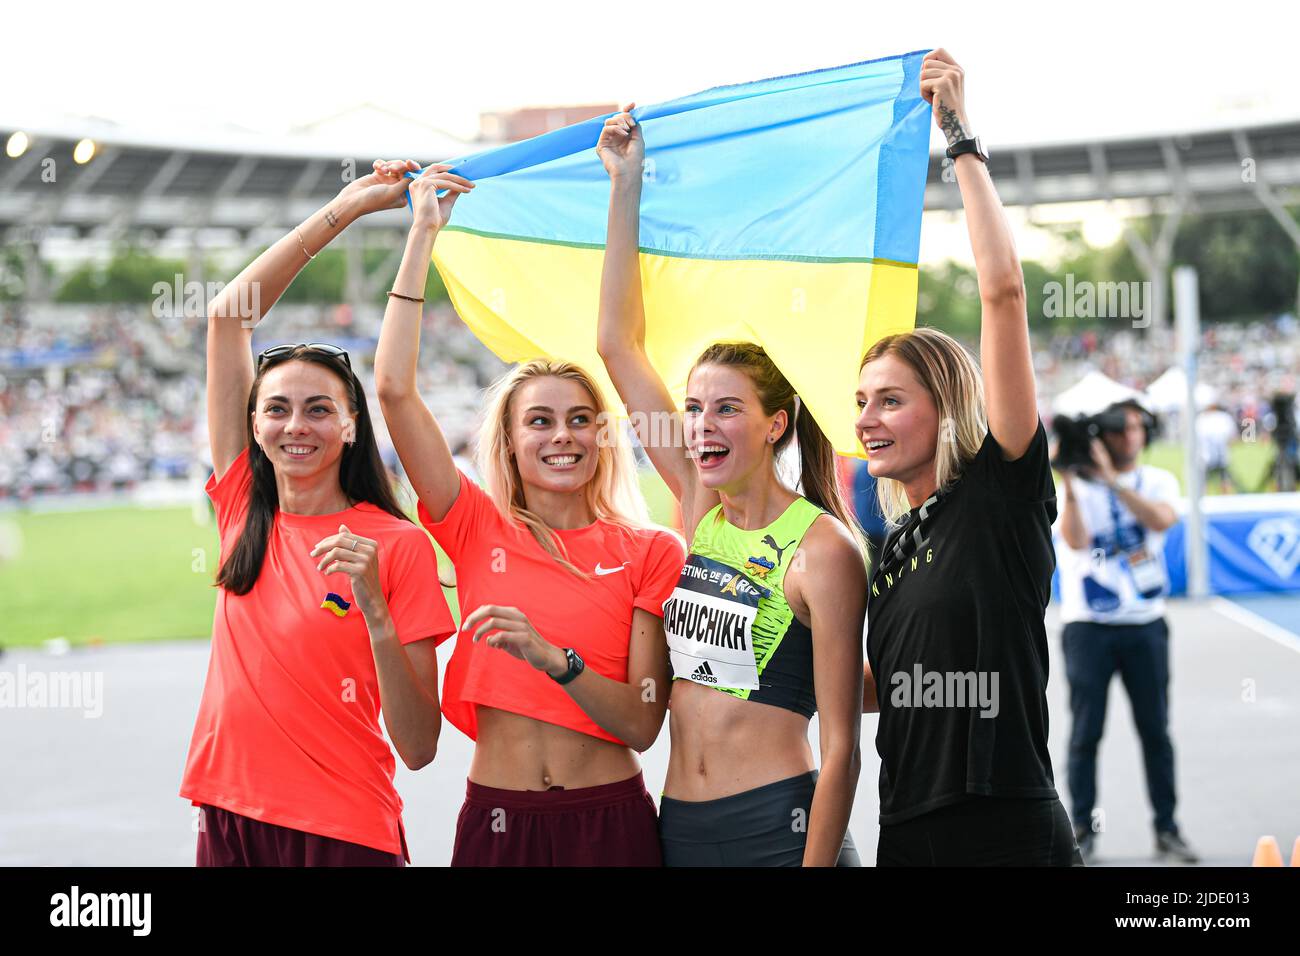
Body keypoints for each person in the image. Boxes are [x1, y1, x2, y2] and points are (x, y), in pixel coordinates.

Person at [374, 163, 686, 866]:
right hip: (498, 825)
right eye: (539, 421)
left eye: (580, 419)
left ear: (603, 436)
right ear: (510, 443)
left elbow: (641, 722)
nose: (562, 436)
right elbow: (393, 390)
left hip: (609, 823)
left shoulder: (650, 550)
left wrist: (556, 662)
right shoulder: (473, 524)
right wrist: (423, 231)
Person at [595, 104, 867, 866]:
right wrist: (626, 185)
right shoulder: (694, 502)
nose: (700, 425)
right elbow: (617, 344)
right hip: (681, 826)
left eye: (725, 409)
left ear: (776, 424)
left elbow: (843, 744)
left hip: (780, 829)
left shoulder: (824, 549)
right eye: (691, 408)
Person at [181, 160, 457, 866]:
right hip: (230, 813)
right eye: (276, 408)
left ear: (351, 427)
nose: (293, 425)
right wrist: (346, 210)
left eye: (318, 409)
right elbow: (227, 317)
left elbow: (421, 746)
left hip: (343, 831)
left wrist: (375, 612)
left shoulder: (397, 545)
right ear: (255, 424)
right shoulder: (242, 501)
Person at [856, 48, 1080, 866]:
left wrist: (958, 138)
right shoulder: (891, 548)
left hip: (1001, 827)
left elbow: (1003, 292)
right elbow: (897, 690)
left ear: (945, 406)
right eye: (861, 403)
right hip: (905, 830)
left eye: (889, 399)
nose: (868, 419)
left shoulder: (1000, 496)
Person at [1056, 399, 1199, 864]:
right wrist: (1074, 481)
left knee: (1156, 731)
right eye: (1121, 428)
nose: (1131, 436)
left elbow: (1161, 520)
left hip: (1144, 624)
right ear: (1104, 436)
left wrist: (1114, 482)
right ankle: (1082, 829)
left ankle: (1167, 827)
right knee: (1085, 735)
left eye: (1138, 428)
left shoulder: (1157, 481)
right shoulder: (1073, 485)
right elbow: (1075, 541)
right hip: (1088, 628)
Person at [1195, 401, 1238, 494]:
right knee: (1220, 479)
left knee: (1220, 480)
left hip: (1209, 455)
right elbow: (1232, 437)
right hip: (1213, 455)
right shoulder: (1222, 418)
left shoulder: (1203, 419)